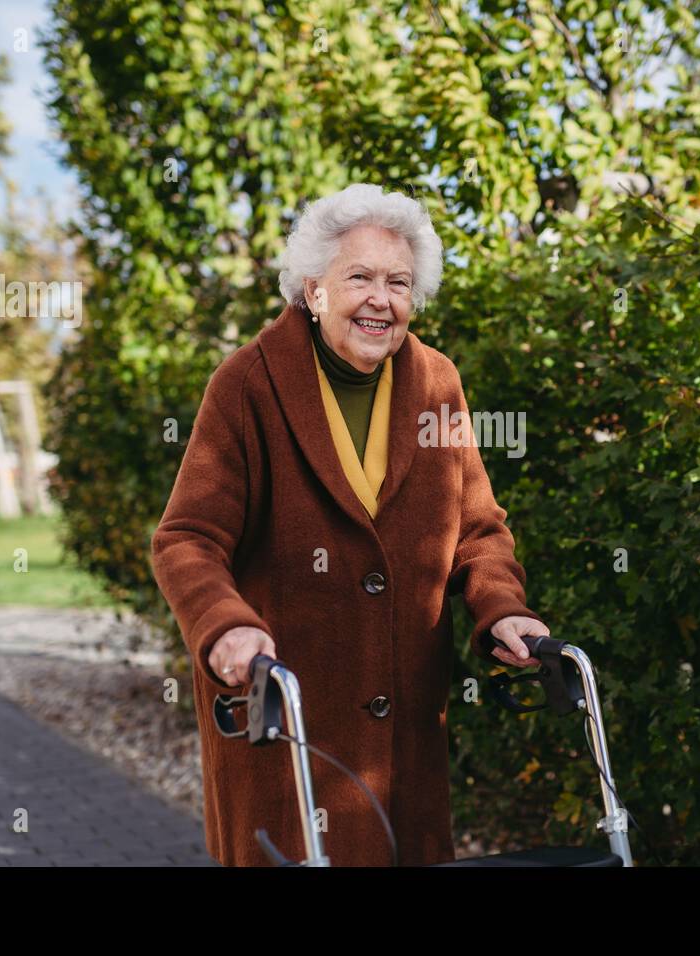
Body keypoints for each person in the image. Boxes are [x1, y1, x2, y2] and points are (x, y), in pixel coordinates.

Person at [150, 182, 550, 866]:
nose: (380, 299)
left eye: (398, 282)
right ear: (314, 290)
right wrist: (226, 625)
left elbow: (477, 528)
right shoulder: (248, 384)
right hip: (290, 723)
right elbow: (187, 538)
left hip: (404, 738)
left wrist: (502, 607)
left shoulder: (436, 383)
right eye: (358, 277)